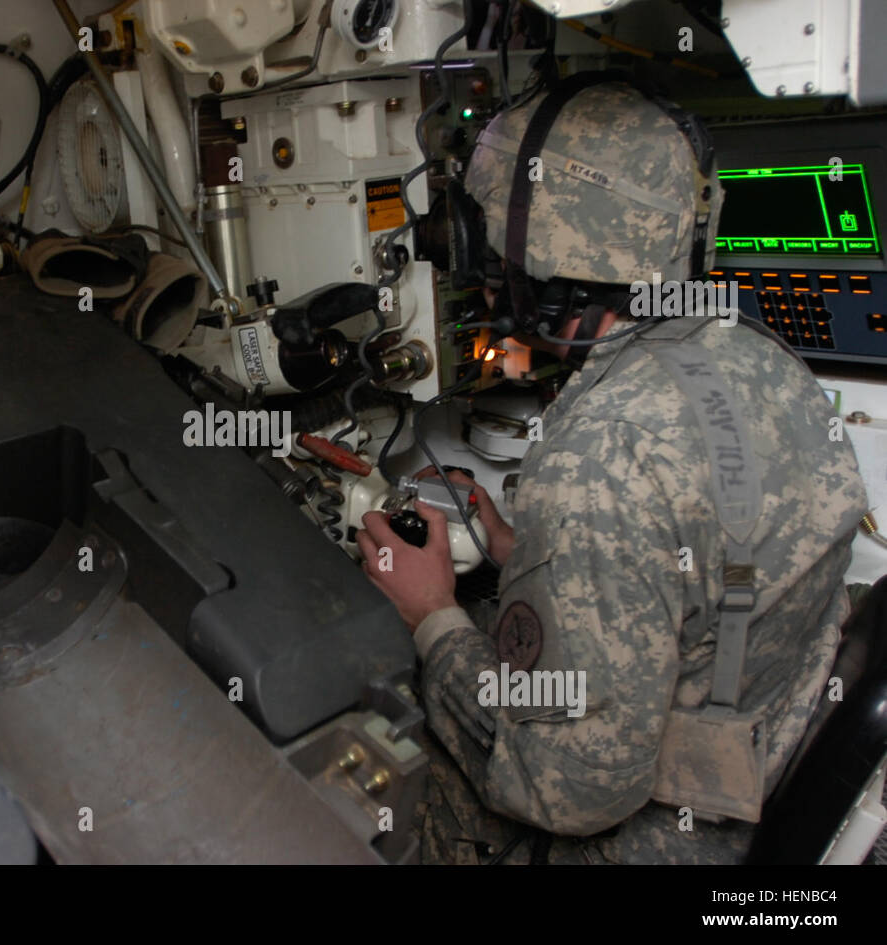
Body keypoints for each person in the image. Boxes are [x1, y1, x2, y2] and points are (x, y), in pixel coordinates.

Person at [357, 77, 868, 864]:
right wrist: (515, 548)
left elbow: (564, 791)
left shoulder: (601, 455)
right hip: (771, 737)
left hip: (672, 837)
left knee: (380, 796)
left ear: (543, 249)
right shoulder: (757, 356)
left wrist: (430, 614)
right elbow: (700, 567)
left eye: (490, 245)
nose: (484, 270)